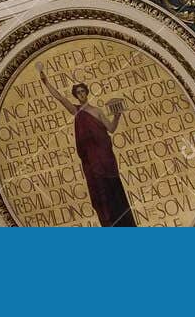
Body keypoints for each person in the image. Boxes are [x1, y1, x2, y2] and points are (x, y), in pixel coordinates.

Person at [39, 61, 137, 226]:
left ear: (87, 93)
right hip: (92, 162)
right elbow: (60, 98)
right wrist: (45, 80)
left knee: (114, 190)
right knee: (101, 194)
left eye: (83, 91)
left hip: (106, 159)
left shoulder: (97, 111)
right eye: (78, 92)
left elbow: (111, 129)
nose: (81, 94)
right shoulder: (76, 110)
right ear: (76, 96)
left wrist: (117, 116)